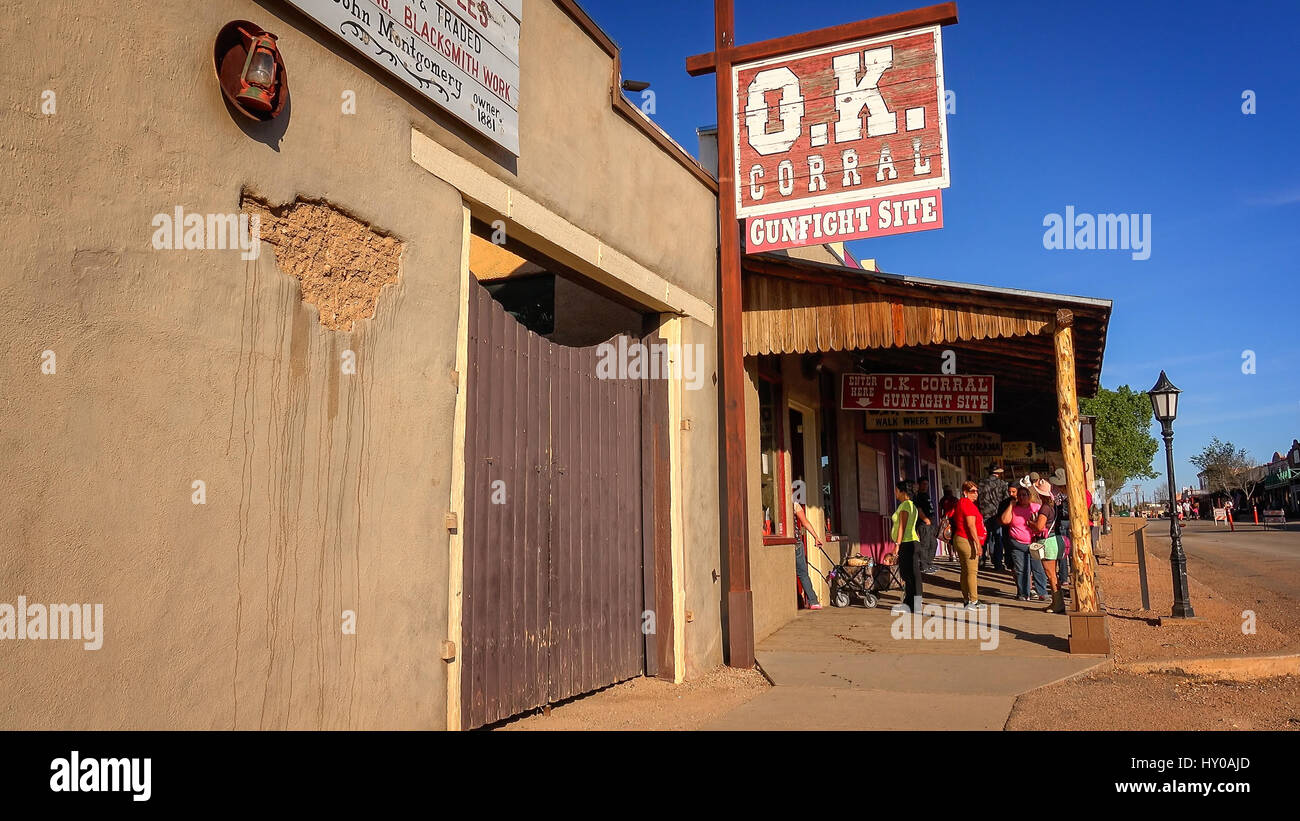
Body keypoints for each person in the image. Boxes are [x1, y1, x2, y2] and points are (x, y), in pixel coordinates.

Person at [1001, 483, 1047, 601]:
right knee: (1021, 570)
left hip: (1033, 543)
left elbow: (1043, 522)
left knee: (1038, 568)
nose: (1022, 497)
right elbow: (1005, 520)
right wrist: (1011, 505)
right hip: (1017, 543)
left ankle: (1042, 592)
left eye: (1024, 495)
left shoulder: (1035, 507)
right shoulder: (1014, 509)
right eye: (1020, 495)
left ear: (1029, 496)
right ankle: (1023, 593)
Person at [950, 481, 987, 609]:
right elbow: (971, 525)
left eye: (977, 491)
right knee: (971, 572)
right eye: (972, 491)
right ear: (965, 492)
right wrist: (978, 544)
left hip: (960, 539)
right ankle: (973, 600)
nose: (975, 494)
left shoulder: (962, 503)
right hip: (966, 540)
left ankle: (967, 599)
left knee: (965, 571)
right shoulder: (967, 504)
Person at [1032, 474, 1065, 613]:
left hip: (1048, 541)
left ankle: (1058, 603)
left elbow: (1039, 526)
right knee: (1054, 574)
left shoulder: (1045, 508)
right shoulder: (1055, 506)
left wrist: (1030, 523)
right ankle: (1057, 602)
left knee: (1051, 574)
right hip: (1056, 539)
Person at [891, 481, 922, 612]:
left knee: (909, 575)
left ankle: (913, 604)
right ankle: (911, 603)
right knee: (910, 574)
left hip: (907, 543)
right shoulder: (912, 505)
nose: (895, 493)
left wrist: (897, 545)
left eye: (896, 490)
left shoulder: (905, 505)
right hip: (912, 542)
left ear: (903, 492)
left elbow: (902, 527)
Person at [976, 465, 1009, 570]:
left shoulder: (980, 483)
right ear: (998, 473)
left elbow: (976, 498)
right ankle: (997, 563)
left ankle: (981, 561)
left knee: (983, 538)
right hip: (997, 515)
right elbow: (1006, 500)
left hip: (983, 514)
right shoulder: (1002, 484)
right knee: (997, 538)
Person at [792, 502, 823, 610]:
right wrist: (816, 537)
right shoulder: (794, 505)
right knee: (803, 574)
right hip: (796, 543)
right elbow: (804, 522)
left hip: (789, 543)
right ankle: (813, 601)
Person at [915, 478, 938, 574]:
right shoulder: (918, 496)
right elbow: (918, 509)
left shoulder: (926, 495)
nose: (925, 486)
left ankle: (929, 563)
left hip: (931, 524)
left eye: (926, 484)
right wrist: (925, 519)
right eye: (923, 484)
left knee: (933, 544)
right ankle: (923, 566)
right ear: (919, 485)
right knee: (925, 544)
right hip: (924, 524)